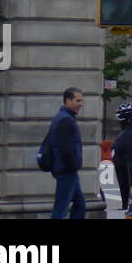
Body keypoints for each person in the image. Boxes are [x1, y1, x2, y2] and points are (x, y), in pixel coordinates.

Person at [47, 87, 85, 219]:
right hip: (66, 170)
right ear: (68, 101)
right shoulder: (65, 119)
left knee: (79, 204)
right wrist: (72, 166)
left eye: (81, 100)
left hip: (66, 169)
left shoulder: (63, 117)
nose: (81, 104)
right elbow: (65, 148)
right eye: (78, 100)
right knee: (61, 208)